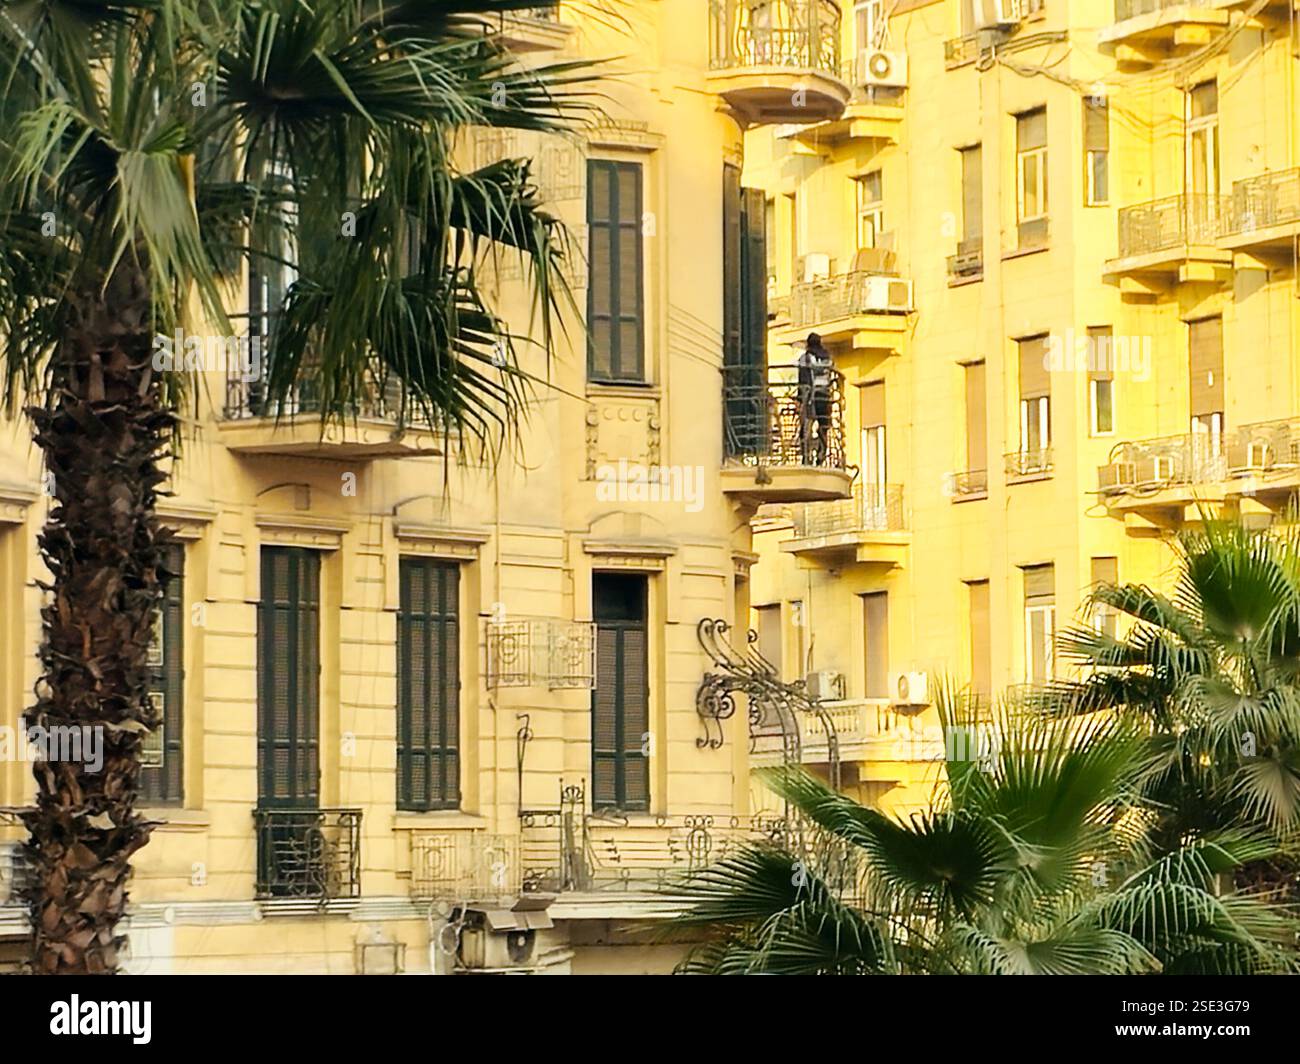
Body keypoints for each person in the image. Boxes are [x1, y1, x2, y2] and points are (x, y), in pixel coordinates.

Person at [797, 332, 833, 465]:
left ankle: (806, 457)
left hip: (811, 395)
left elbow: (803, 379)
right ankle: (821, 454)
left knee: (806, 427)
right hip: (825, 394)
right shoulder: (827, 357)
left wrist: (800, 398)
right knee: (824, 426)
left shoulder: (805, 358)